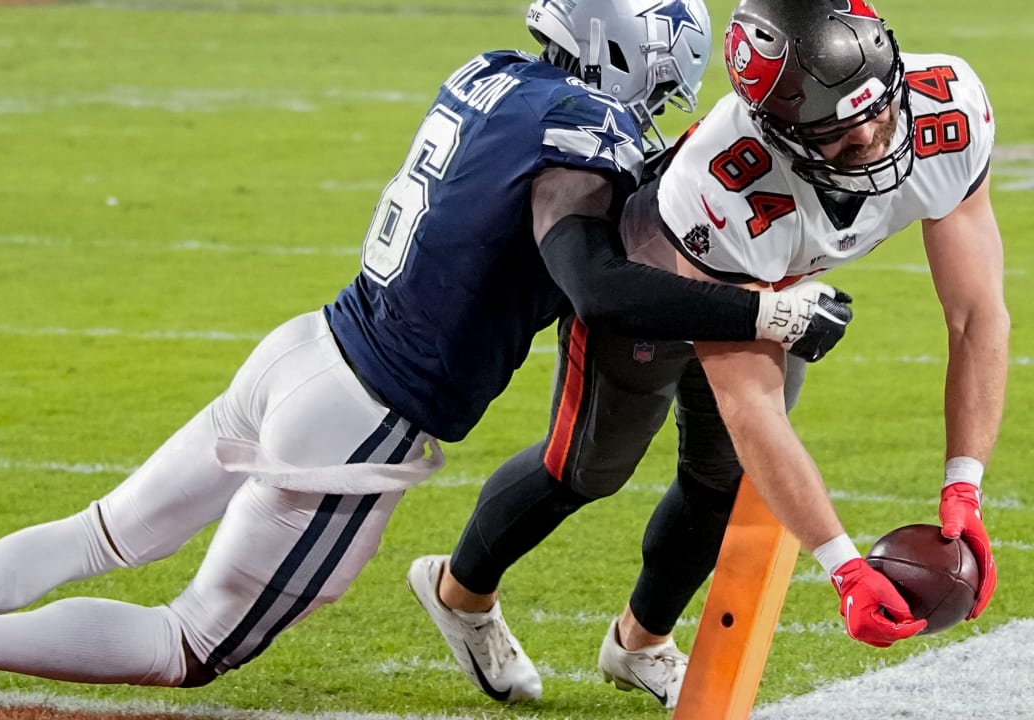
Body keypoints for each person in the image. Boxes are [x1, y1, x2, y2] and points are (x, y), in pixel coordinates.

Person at [0, 2, 858, 720]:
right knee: (193, 642)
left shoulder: (486, 75)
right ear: (623, 53)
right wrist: (759, 314)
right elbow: (598, 289)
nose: (660, 97)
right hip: (361, 420)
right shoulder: (581, 143)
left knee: (104, 530)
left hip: (305, 349)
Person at [409, 0, 1004, 710]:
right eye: (840, 132)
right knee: (586, 470)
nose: (877, 135)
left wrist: (964, 486)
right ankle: (460, 593)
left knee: (719, 484)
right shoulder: (724, 177)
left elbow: (975, 317)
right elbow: (749, 403)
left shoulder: (948, 106)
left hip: (776, 286)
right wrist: (844, 569)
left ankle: (640, 642)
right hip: (656, 289)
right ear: (780, 132)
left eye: (880, 105)